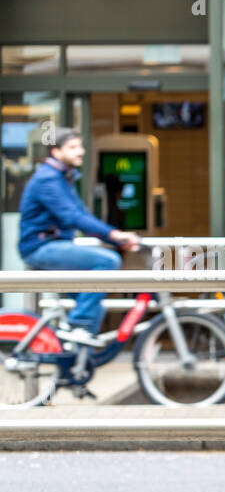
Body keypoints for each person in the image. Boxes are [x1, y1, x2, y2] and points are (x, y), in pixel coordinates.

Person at [18, 128, 140, 341]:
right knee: (108, 261)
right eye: (73, 147)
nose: (81, 151)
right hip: (40, 248)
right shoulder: (48, 179)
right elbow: (73, 217)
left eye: (80, 146)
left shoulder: (64, 177)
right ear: (56, 152)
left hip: (54, 245)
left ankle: (75, 362)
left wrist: (114, 238)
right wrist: (114, 234)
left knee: (95, 310)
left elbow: (82, 216)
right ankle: (75, 326)